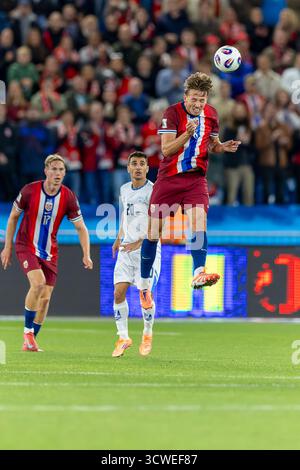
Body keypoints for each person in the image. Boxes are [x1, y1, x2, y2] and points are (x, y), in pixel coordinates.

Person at [139, 72, 241, 309]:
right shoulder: (172, 113)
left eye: (202, 99)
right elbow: (166, 150)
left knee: (199, 220)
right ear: (185, 96)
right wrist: (187, 133)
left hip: (196, 179)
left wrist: (222, 147)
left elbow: (211, 145)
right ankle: (144, 286)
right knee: (153, 232)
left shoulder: (212, 115)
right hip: (169, 179)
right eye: (194, 98)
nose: (198, 104)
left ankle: (198, 272)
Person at [0, 154, 93, 352]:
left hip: (50, 251)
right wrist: (7, 246)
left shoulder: (68, 197)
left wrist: (86, 254)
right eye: (54, 169)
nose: (57, 173)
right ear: (46, 171)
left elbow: (82, 228)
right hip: (25, 245)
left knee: (46, 297)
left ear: (65, 173)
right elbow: (13, 217)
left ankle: (31, 340)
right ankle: (27, 333)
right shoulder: (29, 190)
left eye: (61, 170)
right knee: (38, 283)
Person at [112, 151, 161, 358]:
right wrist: (118, 238)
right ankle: (123, 337)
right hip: (126, 249)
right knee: (118, 293)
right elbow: (125, 215)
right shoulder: (124, 189)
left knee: (144, 294)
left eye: (142, 163)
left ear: (148, 169)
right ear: (128, 168)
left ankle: (147, 334)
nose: (138, 167)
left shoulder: (154, 191)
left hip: (147, 249)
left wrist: (140, 242)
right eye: (135, 164)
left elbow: (159, 225)